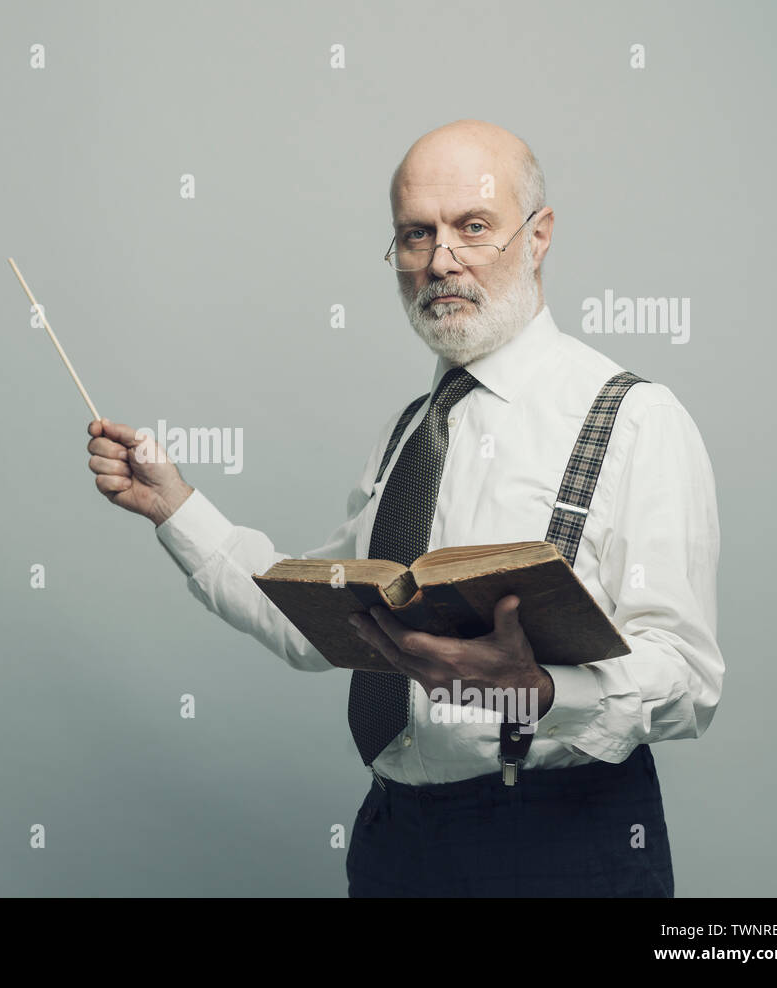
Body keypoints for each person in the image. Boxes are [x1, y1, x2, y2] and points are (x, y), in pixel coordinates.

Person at [84, 119, 723, 897]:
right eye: (416, 235)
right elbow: (321, 622)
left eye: (473, 227)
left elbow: (687, 680)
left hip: (560, 840)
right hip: (395, 842)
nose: (441, 260)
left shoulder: (634, 419)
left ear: (539, 234)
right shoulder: (410, 433)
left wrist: (540, 690)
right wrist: (175, 507)